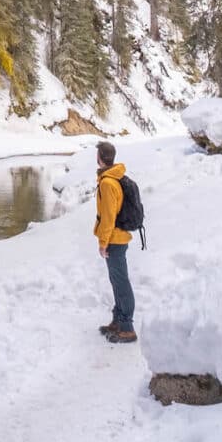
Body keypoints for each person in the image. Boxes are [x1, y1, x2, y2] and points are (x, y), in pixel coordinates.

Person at [93, 140, 135, 342]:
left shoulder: (108, 183)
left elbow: (108, 217)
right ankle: (118, 321)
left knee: (121, 282)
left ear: (100, 158)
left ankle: (127, 327)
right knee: (116, 281)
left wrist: (103, 242)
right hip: (116, 238)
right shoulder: (111, 178)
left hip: (114, 240)